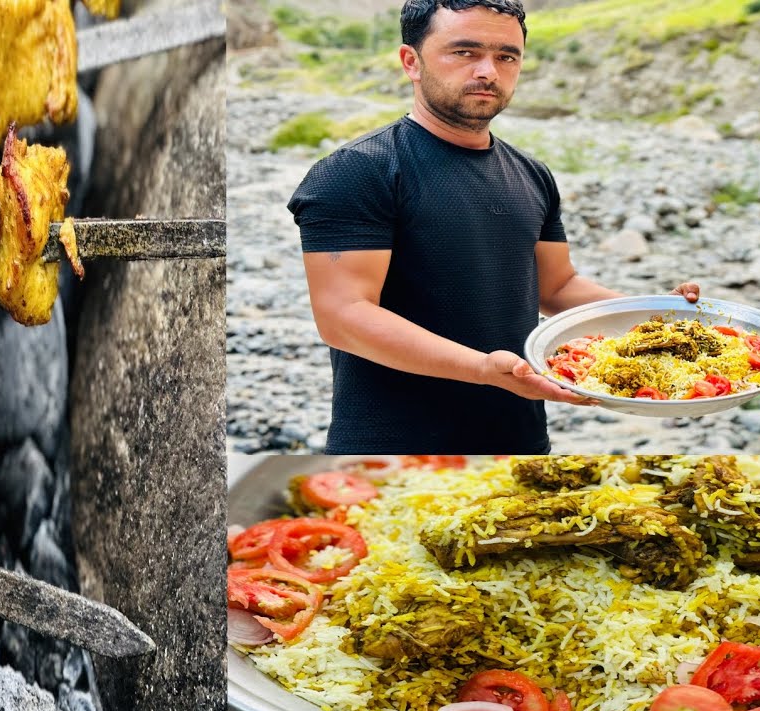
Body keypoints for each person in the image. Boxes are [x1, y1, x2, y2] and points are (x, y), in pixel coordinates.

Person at [288, 0, 699, 453]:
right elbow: (344, 317)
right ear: (411, 62)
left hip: (520, 437)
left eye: (506, 56)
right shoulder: (357, 170)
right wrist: (483, 369)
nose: (488, 71)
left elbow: (557, 287)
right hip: (391, 446)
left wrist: (658, 314)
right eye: (464, 52)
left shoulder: (531, 173)